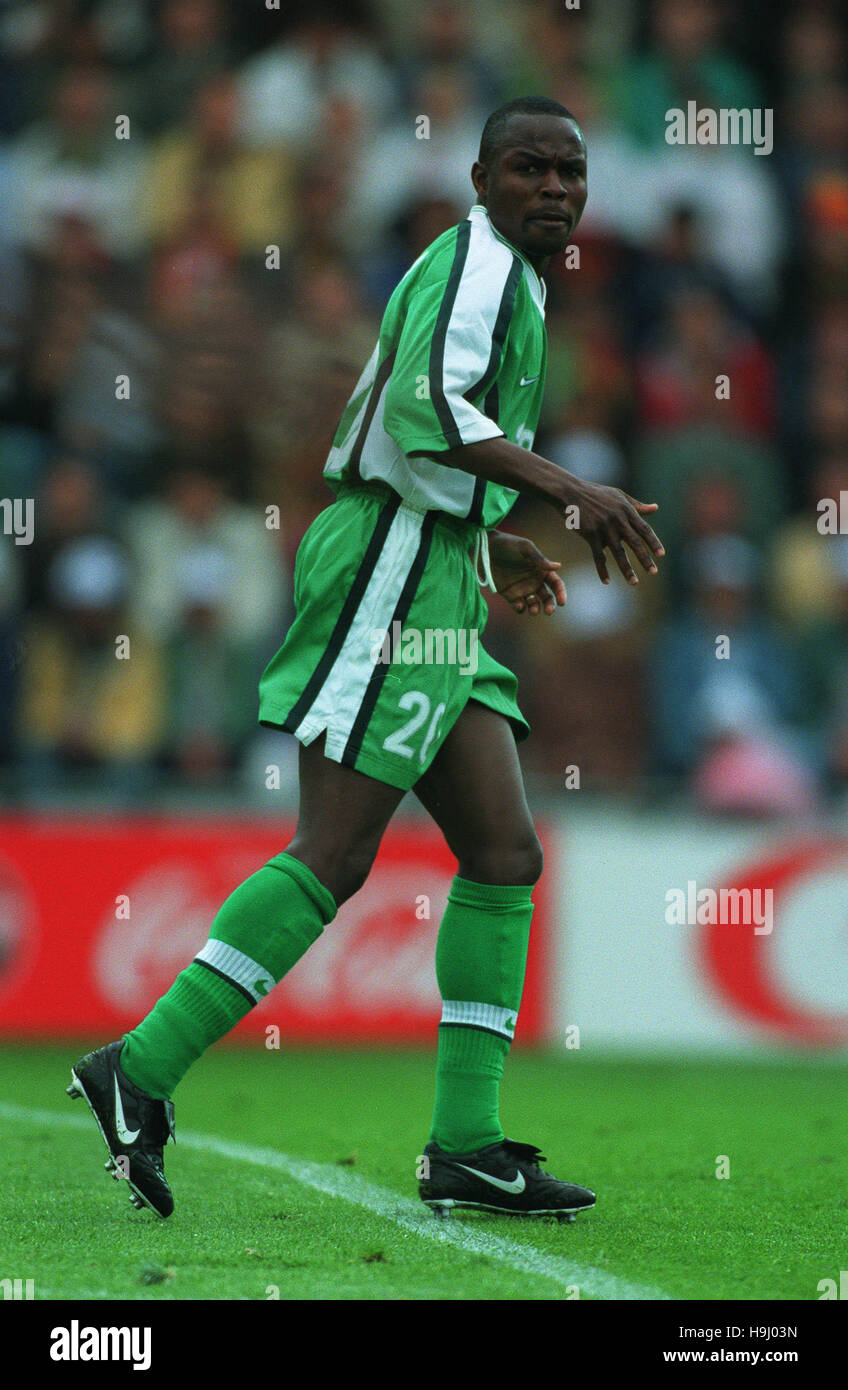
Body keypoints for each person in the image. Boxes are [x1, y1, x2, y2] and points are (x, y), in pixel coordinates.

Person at [67, 96, 664, 1221]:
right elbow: (420, 408)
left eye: (570, 174)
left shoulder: (514, 279)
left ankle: (466, 1146)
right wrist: (571, 490)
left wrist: (493, 535)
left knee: (502, 854)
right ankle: (135, 1071)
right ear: (479, 181)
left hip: (437, 567)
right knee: (334, 854)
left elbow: (430, 439)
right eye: (529, 168)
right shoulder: (477, 262)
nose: (554, 189)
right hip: (386, 567)